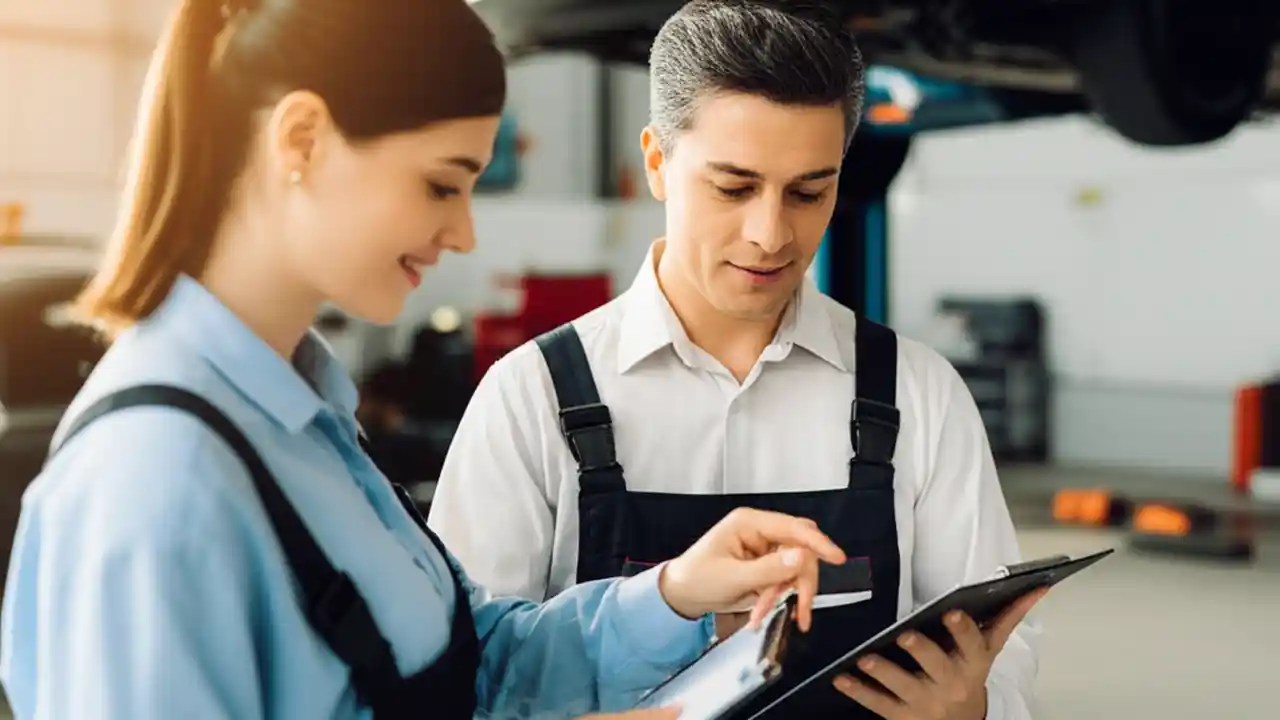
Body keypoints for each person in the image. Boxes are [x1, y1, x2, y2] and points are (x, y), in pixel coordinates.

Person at [0, 1, 849, 718]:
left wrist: (672, 598)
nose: (463, 234)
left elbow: (470, 670)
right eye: (442, 184)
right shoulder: (155, 485)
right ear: (301, 139)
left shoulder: (310, 423)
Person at [428, 1, 1044, 718]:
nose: (769, 233)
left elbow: (1009, 652)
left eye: (809, 192)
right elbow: (466, 675)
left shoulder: (918, 393)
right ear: (657, 162)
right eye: (734, 187)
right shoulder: (532, 397)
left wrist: (973, 708)